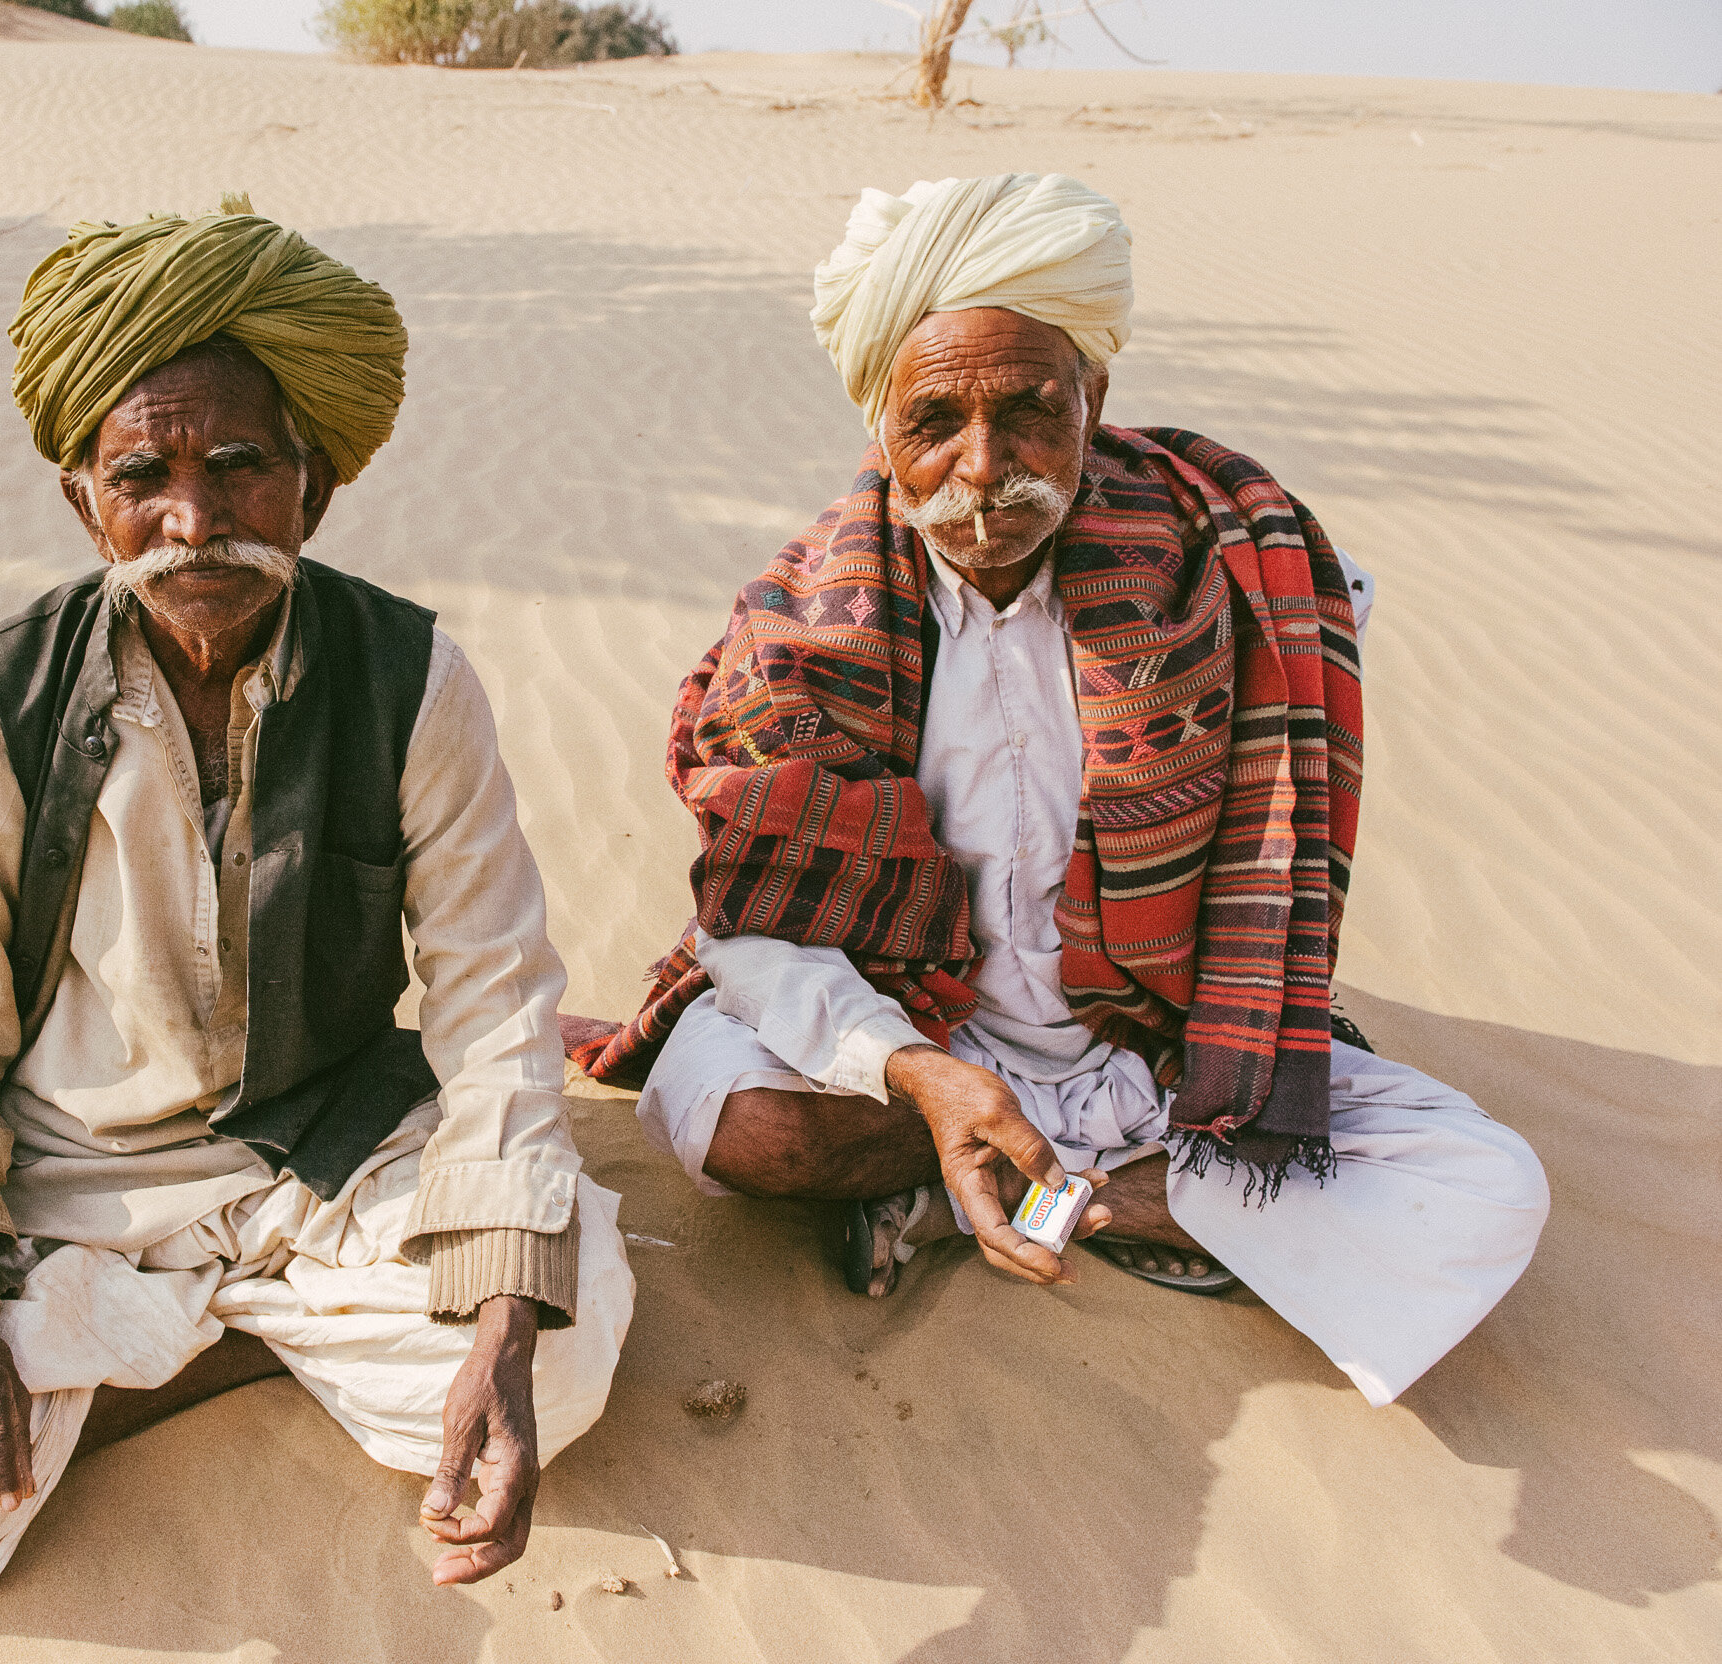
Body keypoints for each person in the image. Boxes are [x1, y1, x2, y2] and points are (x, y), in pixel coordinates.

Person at [0, 200, 632, 1597]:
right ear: (81, 501)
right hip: (70, 1169)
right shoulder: (5, 697)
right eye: (141, 474)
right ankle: (247, 1340)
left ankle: (165, 1346)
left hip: (326, 1157)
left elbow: (495, 1002)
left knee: (567, 1357)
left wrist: (507, 1326)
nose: (194, 520)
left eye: (239, 466)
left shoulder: (413, 683)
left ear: (314, 485)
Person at [573, 173, 1546, 1408]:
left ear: (1094, 397)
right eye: (934, 420)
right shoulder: (800, 627)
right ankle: (1045, 1175)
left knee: (1487, 1181)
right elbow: (753, 927)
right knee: (731, 1122)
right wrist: (915, 1071)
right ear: (879, 425)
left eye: (1031, 412)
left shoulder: (1237, 567)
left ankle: (1033, 1198)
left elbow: (1316, 681)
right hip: (921, 1032)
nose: (983, 467)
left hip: (1151, 1046)